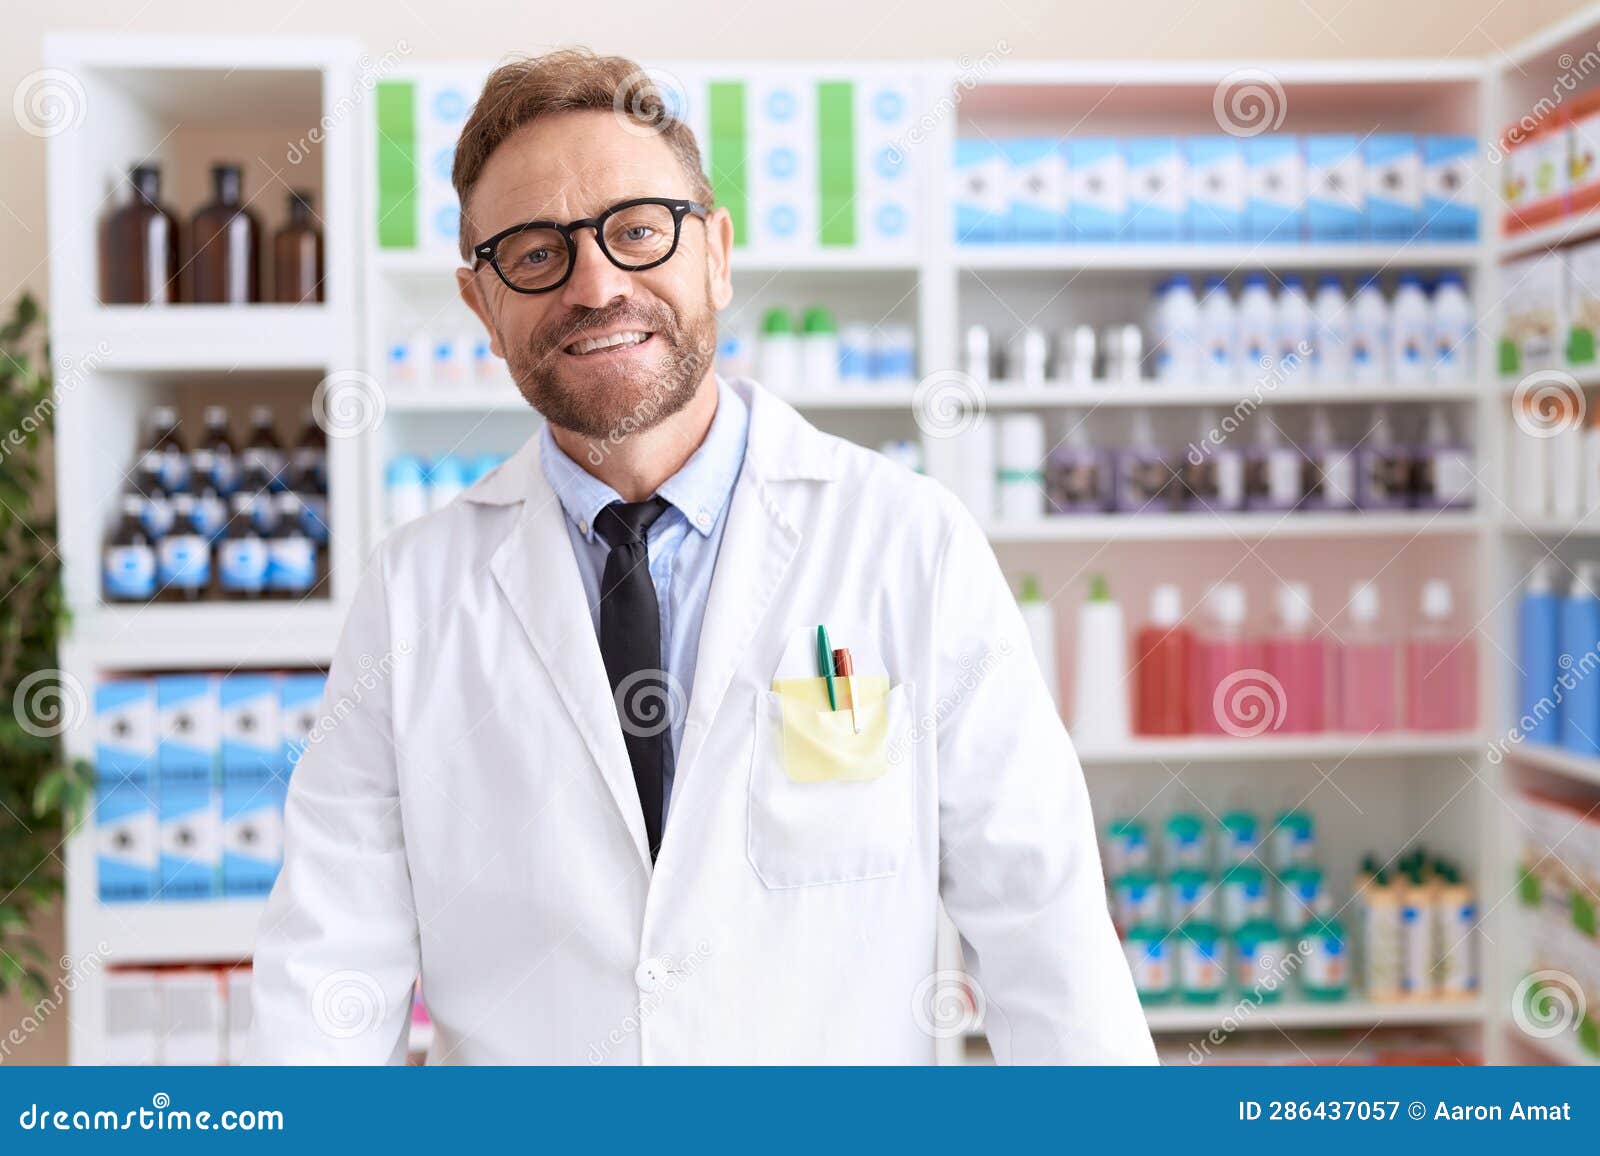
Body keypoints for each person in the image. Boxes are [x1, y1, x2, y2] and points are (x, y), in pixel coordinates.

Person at [250, 48, 1154, 1064]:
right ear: (483, 309)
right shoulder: (414, 591)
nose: (597, 284)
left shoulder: (909, 541)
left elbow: (1047, 938)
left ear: (715, 253)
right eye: (536, 253)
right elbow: (326, 972)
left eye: (637, 230)